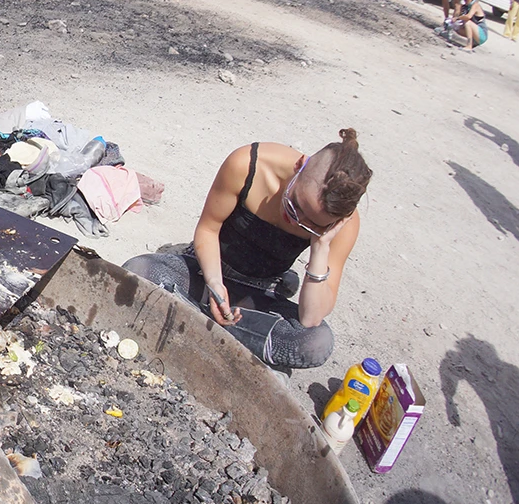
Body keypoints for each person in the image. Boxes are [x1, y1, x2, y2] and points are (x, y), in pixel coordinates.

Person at [125, 130, 372, 370]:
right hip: (207, 272)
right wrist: (215, 284)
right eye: (294, 205)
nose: (296, 221)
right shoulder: (249, 164)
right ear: (299, 166)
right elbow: (208, 229)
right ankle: (237, 349)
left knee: (316, 343)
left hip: (259, 295)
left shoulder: (344, 226)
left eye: (312, 225)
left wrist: (320, 245)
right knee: (139, 270)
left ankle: (189, 321)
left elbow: (311, 318)